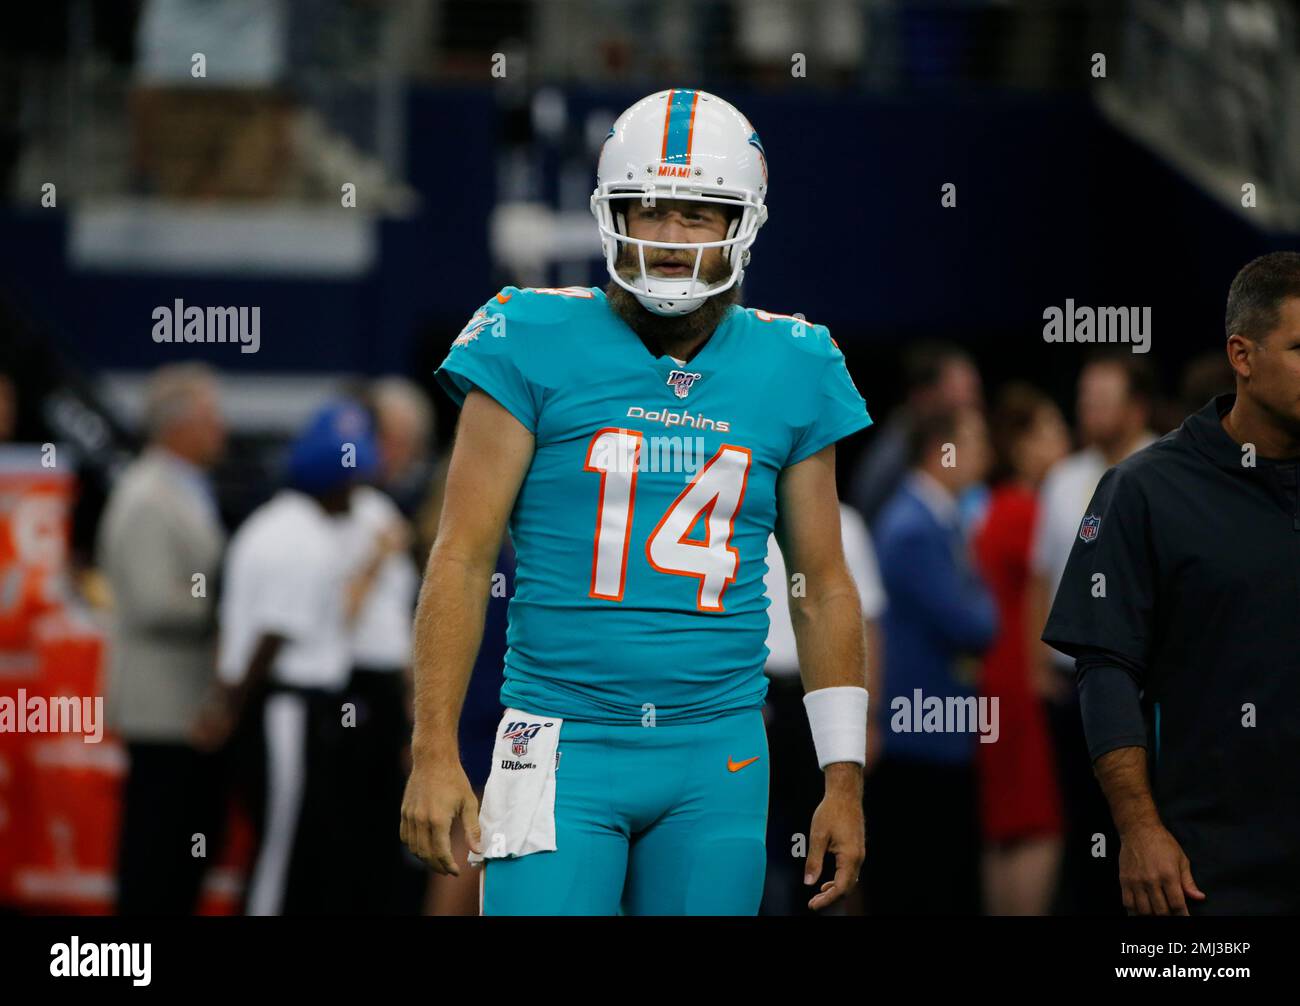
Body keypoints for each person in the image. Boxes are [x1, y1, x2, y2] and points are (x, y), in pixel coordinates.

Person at [400, 88, 873, 916]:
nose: (669, 237)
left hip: (718, 749)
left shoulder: (797, 361)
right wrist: (433, 746)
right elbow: (463, 555)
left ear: (744, 223)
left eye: (699, 214)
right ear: (610, 213)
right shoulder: (526, 336)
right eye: (649, 210)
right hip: (554, 738)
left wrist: (843, 774)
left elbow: (823, 584)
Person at [1044, 252, 1300, 914]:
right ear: (1241, 356)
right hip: (1209, 865)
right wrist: (1138, 829)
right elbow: (1105, 669)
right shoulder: (1144, 491)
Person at [212, 400, 396, 915]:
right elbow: (270, 636)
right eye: (353, 482)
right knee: (280, 845)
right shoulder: (298, 537)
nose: (358, 495)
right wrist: (230, 709)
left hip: (292, 708)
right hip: (284, 708)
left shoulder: (284, 523)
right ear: (330, 482)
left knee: (303, 844)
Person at [1028, 350, 1156, 914]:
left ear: (1137, 407)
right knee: (1081, 824)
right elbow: (1040, 574)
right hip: (1067, 684)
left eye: (1103, 399)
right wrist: (1037, 667)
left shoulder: (1168, 470)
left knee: (1143, 820)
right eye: (1084, 400)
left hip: (1146, 682)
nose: (1090, 410)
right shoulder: (1062, 479)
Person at [98, 364, 227, 915]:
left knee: (185, 851)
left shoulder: (185, 488)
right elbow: (153, 600)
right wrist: (224, 607)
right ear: (178, 426)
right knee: (155, 852)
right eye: (210, 417)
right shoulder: (146, 494)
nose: (222, 429)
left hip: (186, 706)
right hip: (161, 708)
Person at [866, 406, 997, 915]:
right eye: (975, 440)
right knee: (922, 884)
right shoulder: (915, 529)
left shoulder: (936, 521)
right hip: (919, 740)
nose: (986, 453)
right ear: (942, 452)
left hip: (937, 734)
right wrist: (981, 602)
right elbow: (975, 624)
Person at [760, 502, 885, 915]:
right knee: (749, 840)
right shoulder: (743, 512)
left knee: (825, 837)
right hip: (751, 696)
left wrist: (867, 719)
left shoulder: (844, 522)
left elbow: (868, 622)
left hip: (820, 696)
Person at [972, 384, 1069, 915]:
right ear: (1022, 445)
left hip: (996, 677)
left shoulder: (995, 506)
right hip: (1022, 679)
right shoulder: (1026, 510)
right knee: (1036, 821)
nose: (1063, 439)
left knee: (1006, 824)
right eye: (1051, 429)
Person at [847, 341, 982, 527]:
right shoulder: (893, 451)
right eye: (964, 390)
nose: (972, 400)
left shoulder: (949, 443)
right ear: (927, 393)